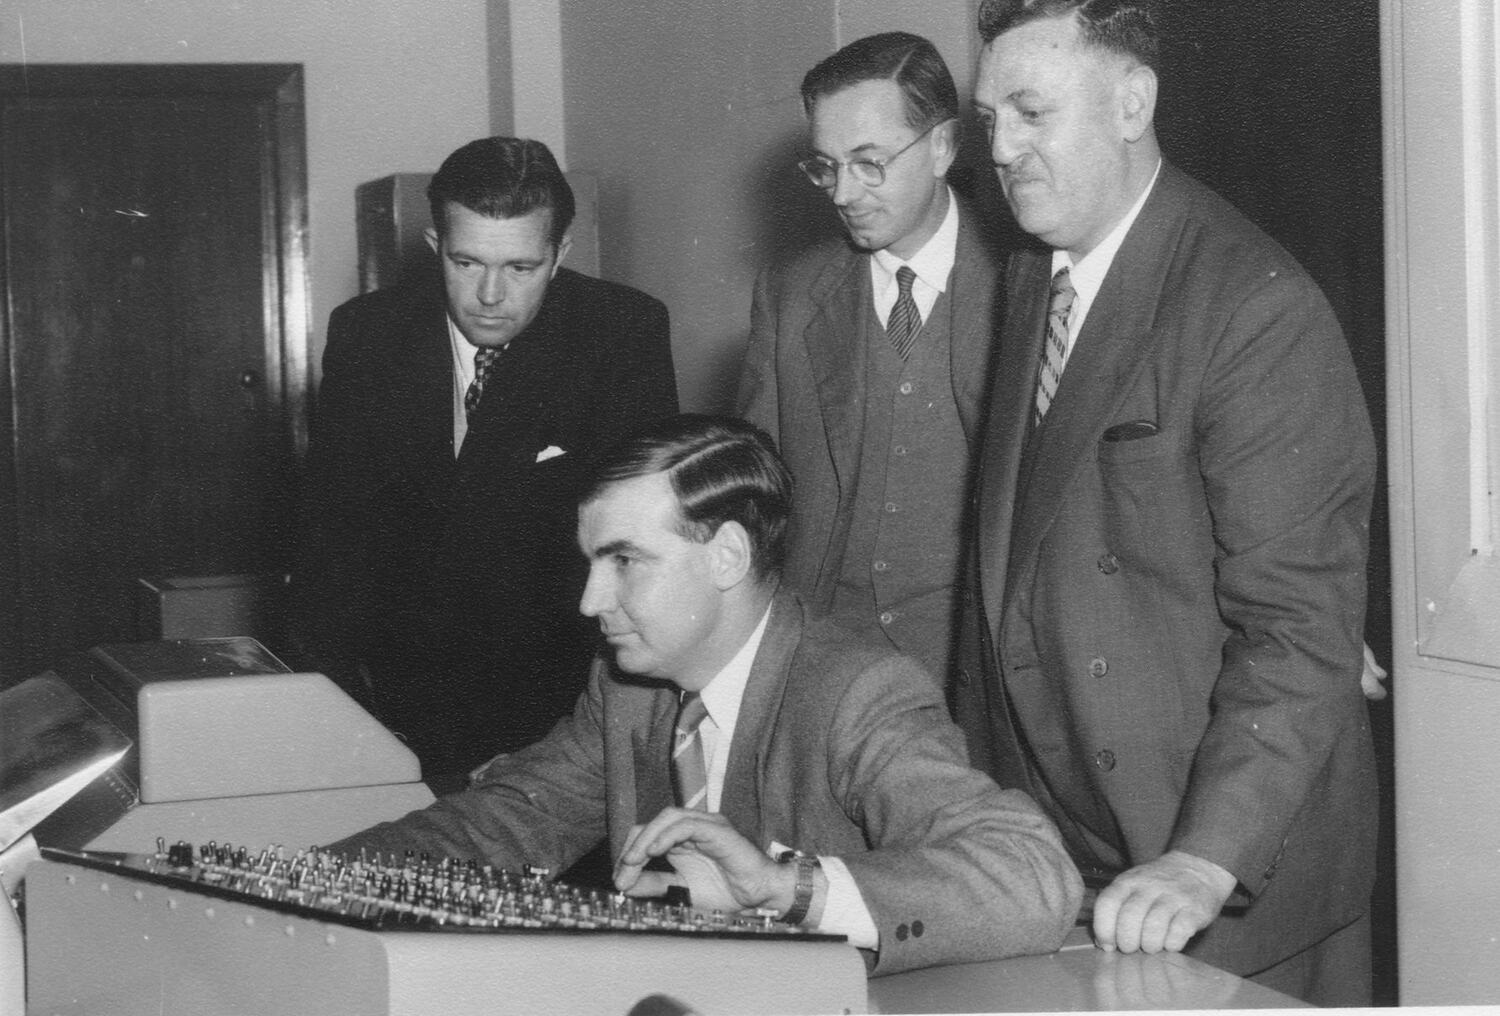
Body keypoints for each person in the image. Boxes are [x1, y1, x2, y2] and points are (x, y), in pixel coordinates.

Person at [954, 0, 1379, 1005]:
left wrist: (1204, 857)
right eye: (989, 120)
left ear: (1132, 101)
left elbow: (1300, 626)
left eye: (1029, 112)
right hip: (1073, 853)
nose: (1002, 149)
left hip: (1221, 879)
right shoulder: (1034, 271)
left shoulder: (1254, 305)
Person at [326, 414, 1082, 975]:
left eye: (625, 561)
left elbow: (1031, 876)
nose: (591, 601)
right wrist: (301, 879)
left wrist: (782, 887)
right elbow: (503, 821)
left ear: (726, 555)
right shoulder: (629, 689)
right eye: (592, 562)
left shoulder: (857, 692)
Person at [292, 137, 678, 783]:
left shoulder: (621, 335)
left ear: (560, 255)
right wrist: (340, 713)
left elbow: (639, 553)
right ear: (435, 245)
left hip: (553, 708)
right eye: (467, 263)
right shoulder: (367, 334)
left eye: (521, 268)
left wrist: (574, 740)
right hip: (393, 705)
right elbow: (328, 543)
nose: (490, 295)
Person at [736, 33, 1005, 684]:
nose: (842, 193)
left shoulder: (1026, 283)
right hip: (828, 670)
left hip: (981, 676)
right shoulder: (792, 295)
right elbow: (751, 501)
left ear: (942, 146)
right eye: (825, 166)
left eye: (868, 162)